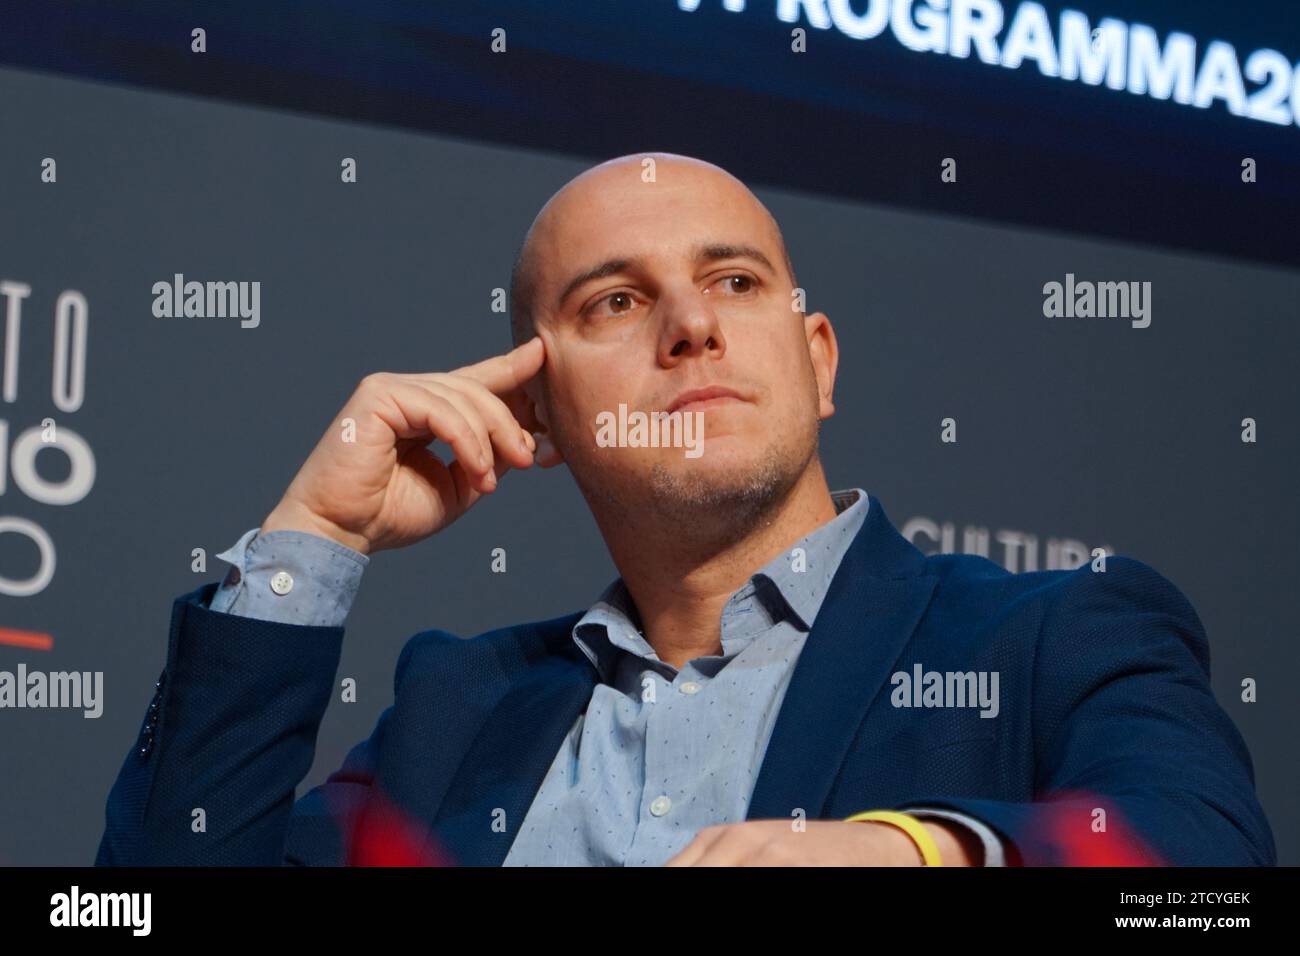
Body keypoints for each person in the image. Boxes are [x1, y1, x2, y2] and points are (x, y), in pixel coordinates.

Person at [95, 153, 1274, 866]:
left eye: (734, 281)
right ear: (537, 410)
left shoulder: (1055, 634)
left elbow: (1204, 871)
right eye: (614, 300)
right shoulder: (454, 710)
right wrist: (315, 539)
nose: (691, 324)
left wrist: (912, 848)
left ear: (816, 360)